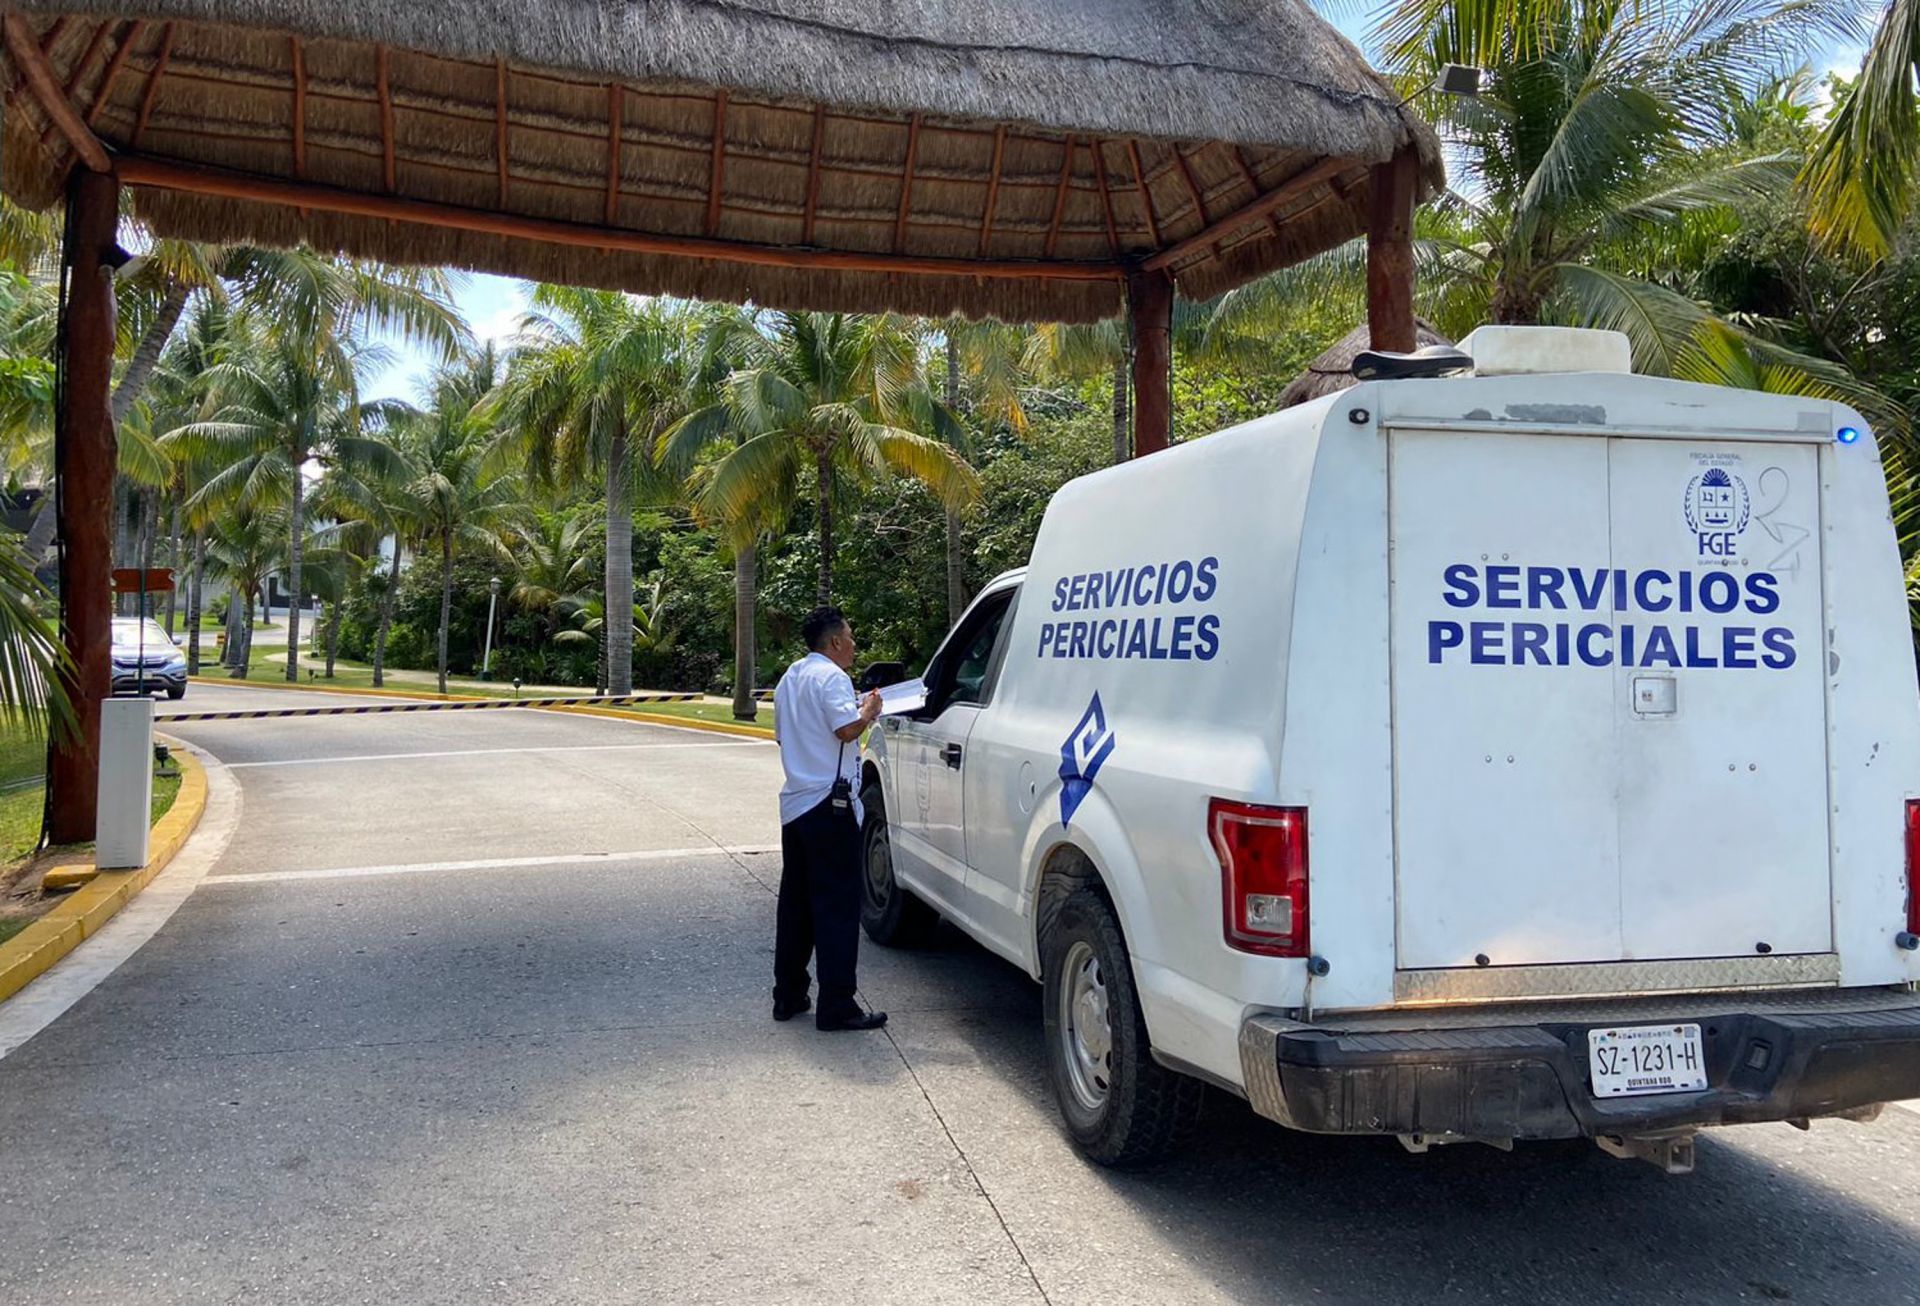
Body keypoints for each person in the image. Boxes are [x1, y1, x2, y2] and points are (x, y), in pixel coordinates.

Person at [771, 605, 886, 1031]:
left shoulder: (791, 677)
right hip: (830, 805)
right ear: (835, 642)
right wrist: (869, 711)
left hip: (796, 804)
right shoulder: (833, 677)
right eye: (851, 637)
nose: (854, 645)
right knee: (837, 907)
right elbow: (844, 731)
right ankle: (837, 1004)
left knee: (796, 904)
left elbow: (785, 735)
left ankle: (789, 994)